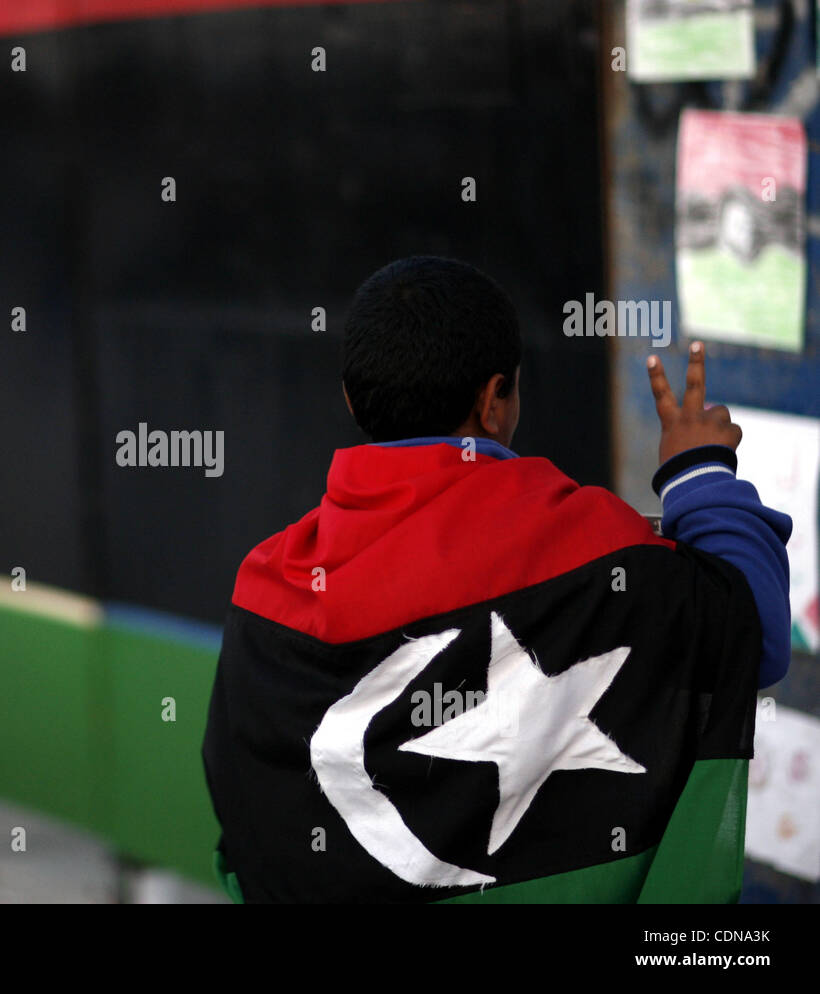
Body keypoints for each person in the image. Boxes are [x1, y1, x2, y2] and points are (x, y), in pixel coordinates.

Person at [201, 256, 792, 904]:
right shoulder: (595, 550)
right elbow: (751, 626)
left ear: (349, 397)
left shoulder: (267, 588)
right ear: (493, 403)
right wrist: (697, 471)